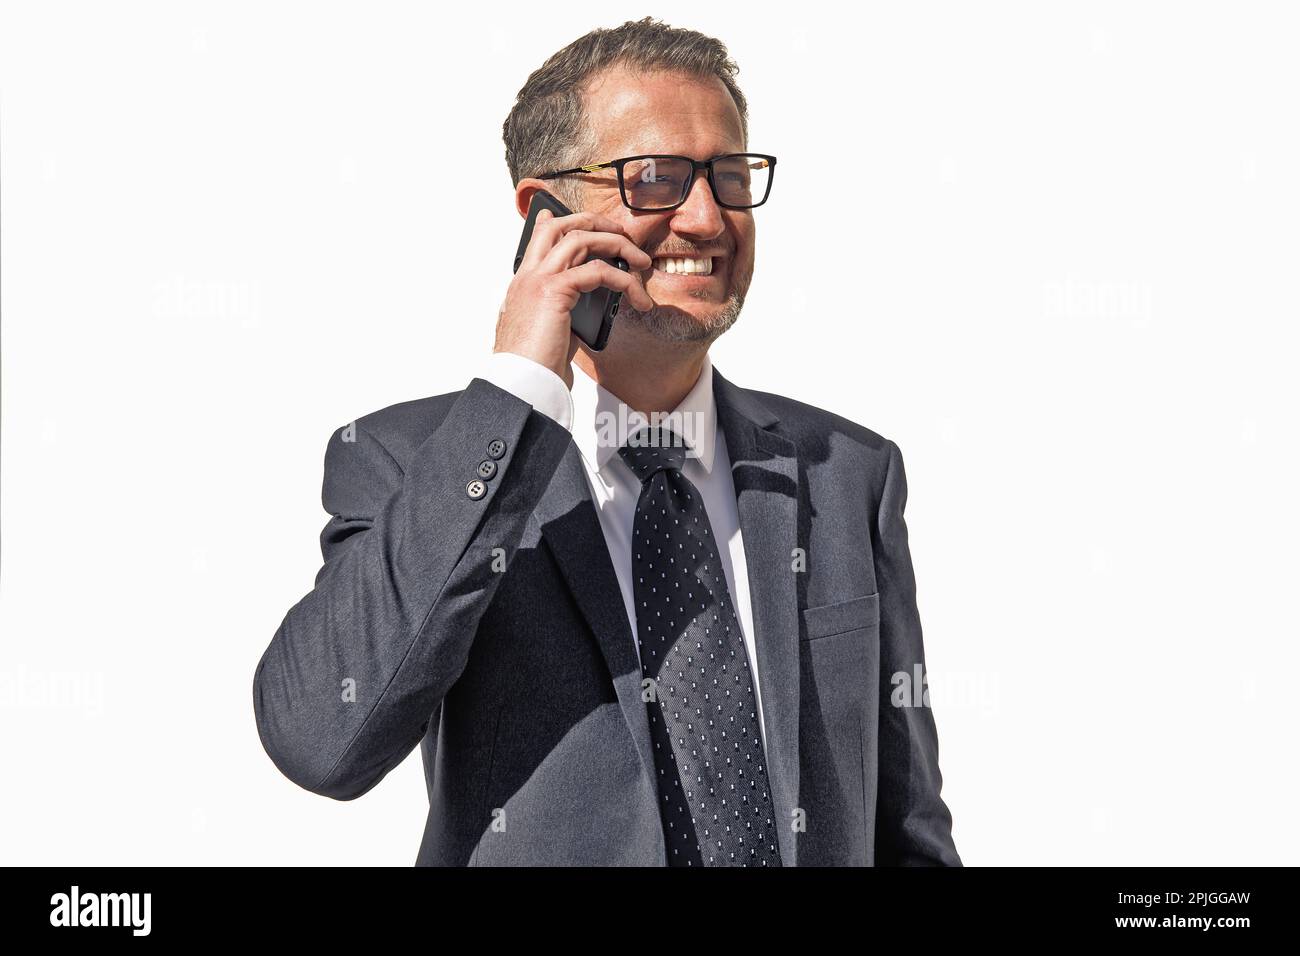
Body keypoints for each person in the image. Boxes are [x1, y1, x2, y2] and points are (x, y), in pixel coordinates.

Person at [253, 16, 961, 867]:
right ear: (544, 211)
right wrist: (517, 383)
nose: (706, 217)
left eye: (729, 175)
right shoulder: (412, 461)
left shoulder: (848, 472)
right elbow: (320, 741)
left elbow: (908, 826)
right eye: (656, 178)